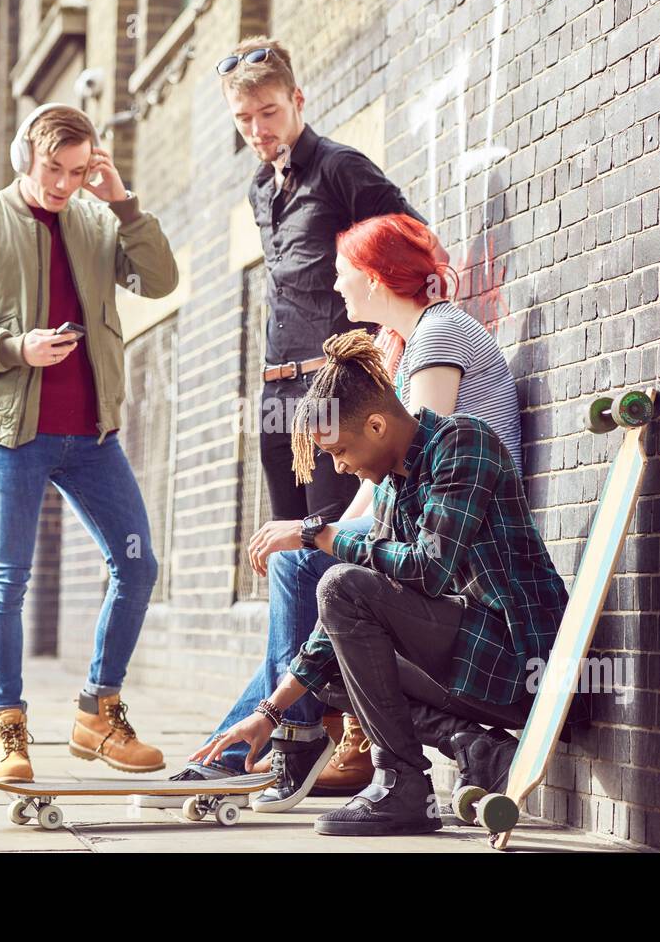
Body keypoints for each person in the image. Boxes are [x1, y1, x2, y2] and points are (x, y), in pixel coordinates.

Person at [139, 37, 447, 807]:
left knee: (321, 555)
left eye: (269, 111)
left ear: (298, 101)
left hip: (331, 398)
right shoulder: (259, 190)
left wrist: (385, 341)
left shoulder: (342, 169)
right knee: (291, 564)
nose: (259, 128)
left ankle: (297, 733)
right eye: (244, 118)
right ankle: (298, 729)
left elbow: (414, 250)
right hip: (279, 398)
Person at [143, 213, 529, 812]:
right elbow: (385, 489)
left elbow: (415, 466)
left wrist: (313, 534)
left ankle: (296, 743)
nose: (335, 283)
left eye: (344, 271)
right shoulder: (399, 345)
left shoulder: (440, 337)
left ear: (375, 277)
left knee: (318, 574)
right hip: (449, 576)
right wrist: (269, 707)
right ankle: (287, 734)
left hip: (473, 573)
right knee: (331, 601)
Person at [193, 330, 569, 836]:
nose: (340, 465)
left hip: (521, 661)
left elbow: (427, 569)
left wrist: (318, 535)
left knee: (340, 585)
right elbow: (343, 623)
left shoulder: (463, 443)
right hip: (470, 666)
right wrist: (269, 712)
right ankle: (471, 745)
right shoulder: (392, 488)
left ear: (376, 424)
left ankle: (400, 784)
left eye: (340, 449)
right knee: (326, 664)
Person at [0, 103, 179, 782]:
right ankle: (8, 730)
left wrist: (121, 202)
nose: (64, 184)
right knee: (9, 580)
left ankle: (98, 711)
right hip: (14, 435)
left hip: (92, 435)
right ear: (22, 156)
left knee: (138, 565)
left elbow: (161, 282)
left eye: (78, 170)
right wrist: (17, 347)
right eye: (53, 169)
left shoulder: (97, 221)